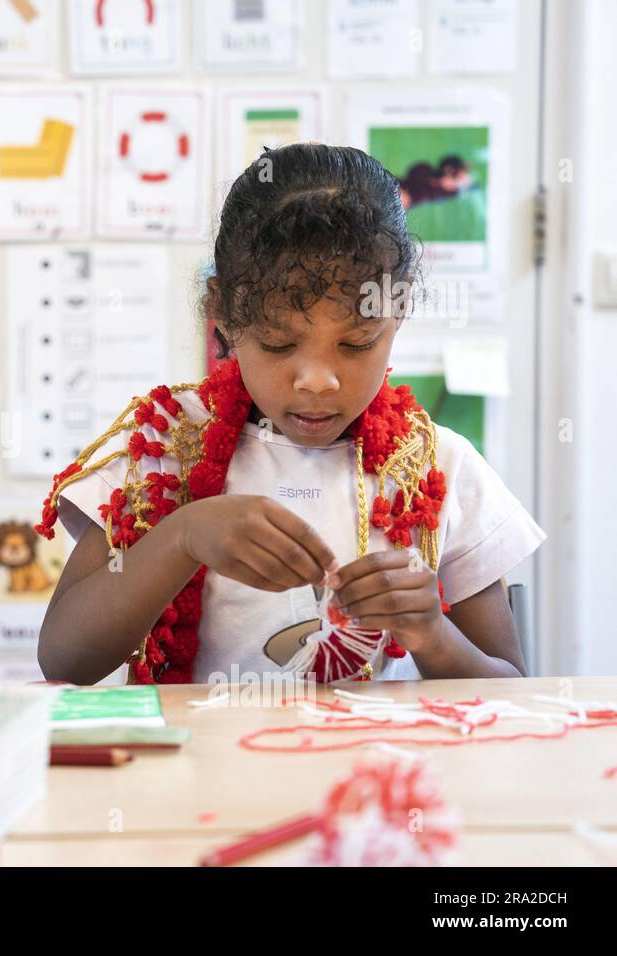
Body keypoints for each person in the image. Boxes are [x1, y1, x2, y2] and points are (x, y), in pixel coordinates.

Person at [35, 143, 545, 686]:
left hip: (372, 770)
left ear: (399, 308)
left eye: (356, 343)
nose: (317, 380)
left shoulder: (434, 468)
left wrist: (431, 634)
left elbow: (509, 688)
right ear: (226, 315)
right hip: (205, 771)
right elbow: (65, 659)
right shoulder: (166, 447)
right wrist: (182, 536)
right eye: (279, 345)